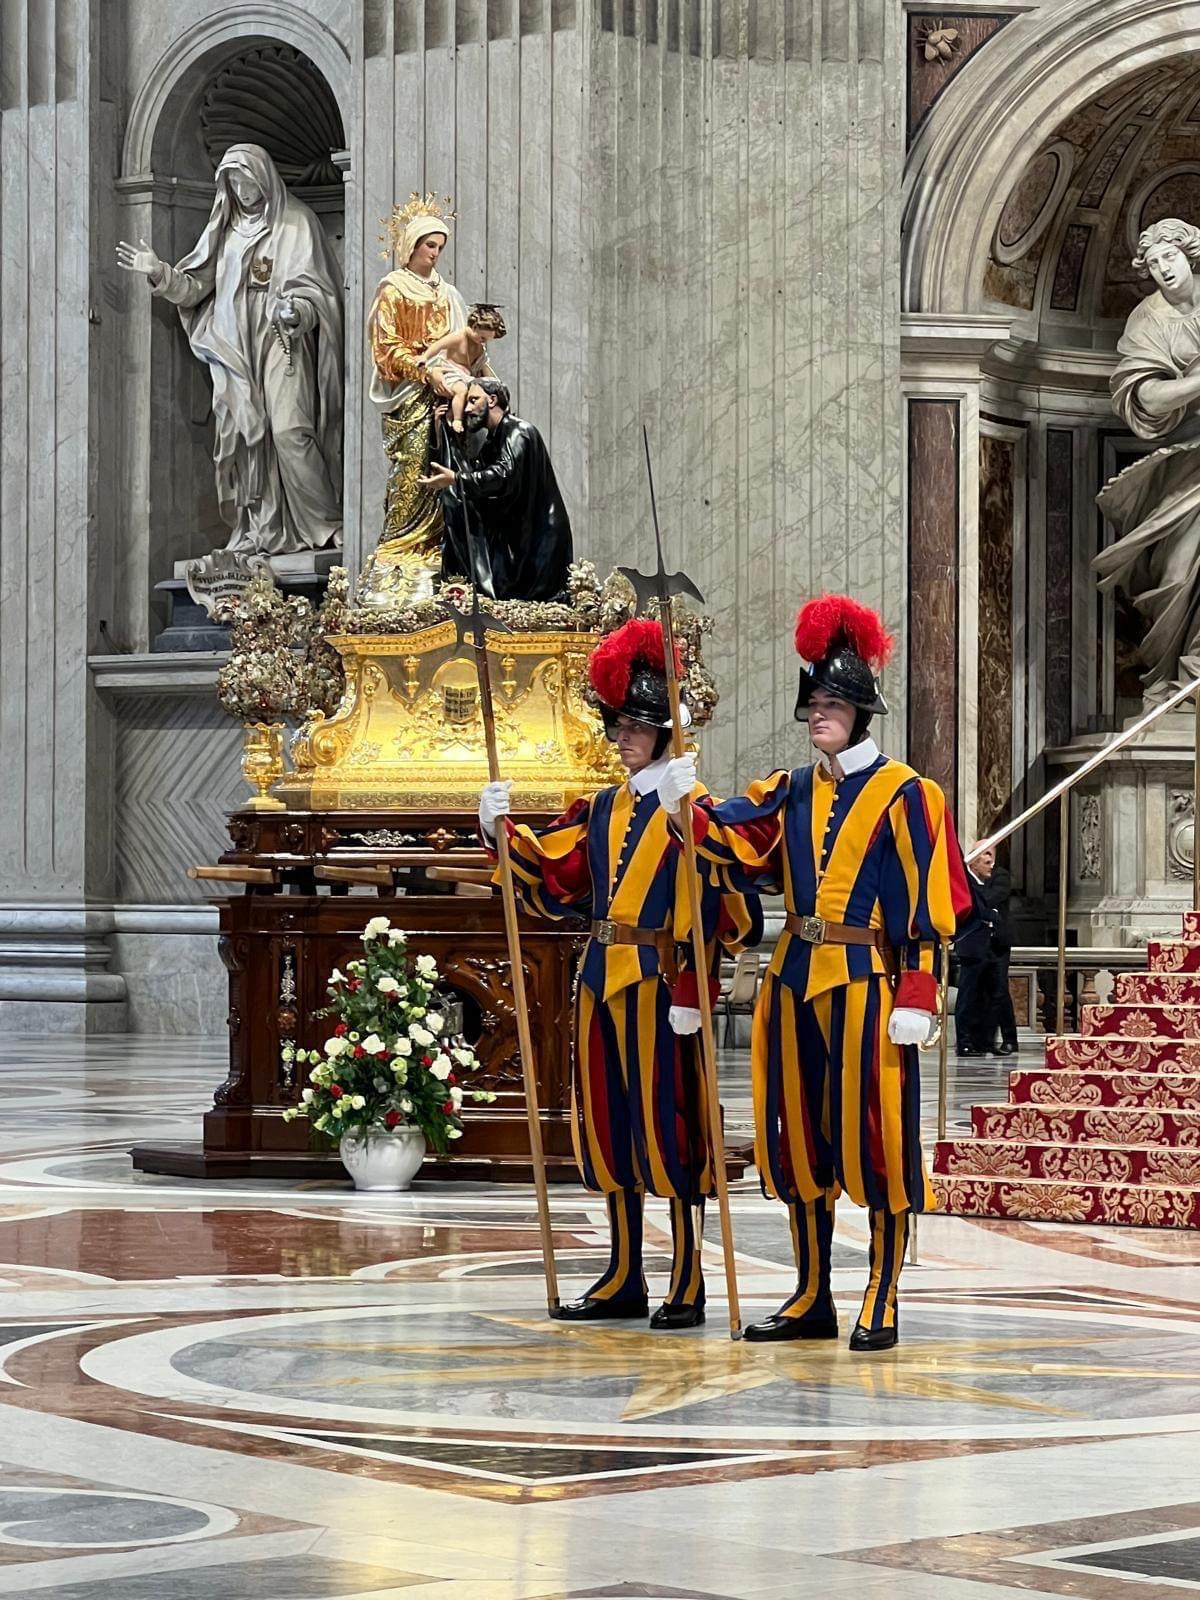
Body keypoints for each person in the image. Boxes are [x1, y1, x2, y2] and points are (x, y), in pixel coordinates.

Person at [657, 595, 973, 1351]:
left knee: (879, 1139)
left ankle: (882, 1290)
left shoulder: (909, 795)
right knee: (799, 1141)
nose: (817, 717)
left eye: (831, 705)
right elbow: (730, 843)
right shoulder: (790, 789)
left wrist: (921, 992)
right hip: (793, 979)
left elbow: (934, 901)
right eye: (812, 706)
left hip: (868, 982)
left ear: (863, 712)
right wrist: (683, 803)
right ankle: (810, 1294)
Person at [478, 619, 761, 1328]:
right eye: (620, 723)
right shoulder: (602, 808)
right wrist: (498, 832)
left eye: (639, 725)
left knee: (671, 1130)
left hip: (664, 987)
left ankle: (689, 1276)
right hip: (602, 978)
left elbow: (732, 907)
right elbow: (556, 872)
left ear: (669, 733)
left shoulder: (697, 811)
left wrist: (697, 991)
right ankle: (624, 1271)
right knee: (609, 1128)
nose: (624, 735)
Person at [116, 143, 343, 556]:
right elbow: (196, 288)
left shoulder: (297, 223)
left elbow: (321, 294)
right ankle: (256, 528)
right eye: (232, 182)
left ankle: (324, 523)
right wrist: (160, 272)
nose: (241, 189)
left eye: (247, 179)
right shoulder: (225, 229)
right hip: (233, 350)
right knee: (243, 438)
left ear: (265, 177)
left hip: (280, 342)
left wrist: (297, 313)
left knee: (291, 430)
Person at [1094, 218, 1200, 696]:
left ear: (1190, 255)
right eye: (1154, 263)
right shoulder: (1149, 320)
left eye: (1170, 257)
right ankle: (1177, 677)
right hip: (1187, 460)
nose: (1164, 269)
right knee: (1177, 575)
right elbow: (1147, 398)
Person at [361, 195, 468, 604]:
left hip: (448, 393)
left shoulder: (449, 292)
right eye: (429, 245)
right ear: (410, 246)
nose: (436, 253)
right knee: (412, 468)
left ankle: (442, 547)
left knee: (452, 464)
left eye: (440, 246)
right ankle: (399, 547)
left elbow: (461, 343)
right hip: (411, 395)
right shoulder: (394, 289)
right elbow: (386, 348)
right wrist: (427, 372)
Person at [421, 380, 573, 601]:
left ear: (492, 400)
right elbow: (477, 479)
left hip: (539, 540)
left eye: (474, 400)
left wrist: (456, 478)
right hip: (519, 536)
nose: (467, 409)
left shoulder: (519, 431)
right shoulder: (492, 441)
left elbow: (503, 476)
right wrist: (441, 433)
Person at [953, 844, 1010, 1057]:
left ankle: (985, 1041)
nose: (991, 865)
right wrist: (991, 914)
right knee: (969, 996)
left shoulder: (984, 883)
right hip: (972, 947)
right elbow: (978, 911)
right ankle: (965, 1041)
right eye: (986, 861)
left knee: (990, 996)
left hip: (990, 948)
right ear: (974, 863)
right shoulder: (967, 884)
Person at [417, 305, 506, 433]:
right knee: (461, 390)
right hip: (450, 373)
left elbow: (483, 366)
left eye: (486, 340)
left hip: (467, 376)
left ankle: (456, 414)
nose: (483, 342)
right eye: (482, 338)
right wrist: (424, 357)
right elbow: (438, 346)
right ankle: (457, 420)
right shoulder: (459, 337)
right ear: (475, 327)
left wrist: (496, 384)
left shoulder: (478, 346)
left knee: (479, 393)